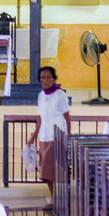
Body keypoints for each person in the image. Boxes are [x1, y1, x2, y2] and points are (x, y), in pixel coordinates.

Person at [28, 65, 71, 196]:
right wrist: (34, 135)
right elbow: (40, 117)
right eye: (42, 78)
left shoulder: (60, 95)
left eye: (47, 77)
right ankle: (56, 197)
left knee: (48, 170)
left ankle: (58, 197)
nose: (45, 80)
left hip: (56, 135)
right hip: (43, 136)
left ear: (53, 79)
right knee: (46, 172)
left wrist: (68, 136)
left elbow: (67, 117)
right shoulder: (40, 95)